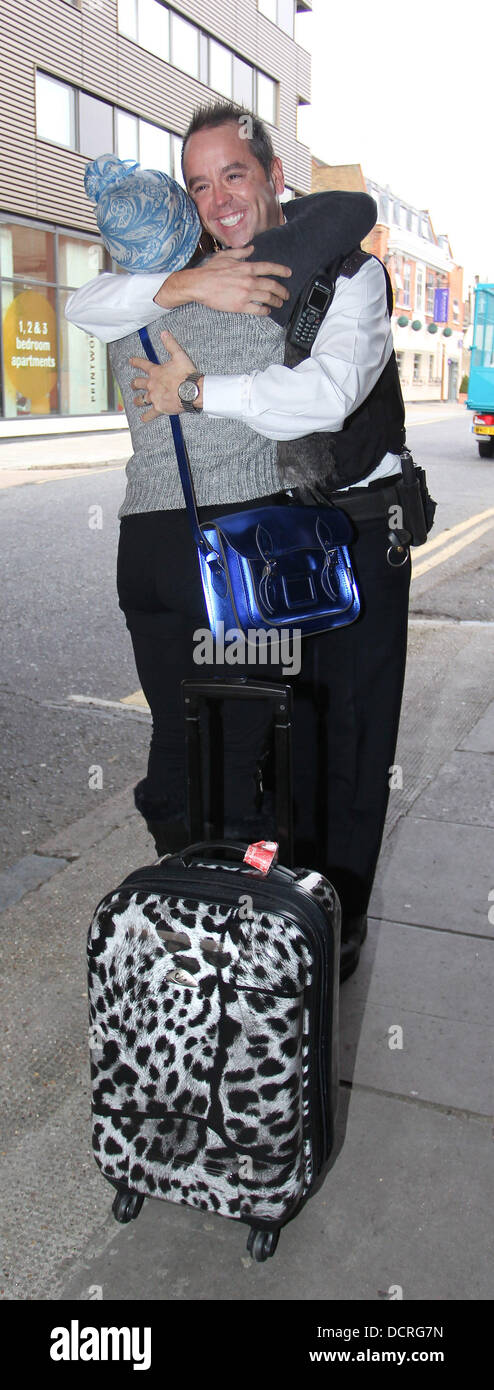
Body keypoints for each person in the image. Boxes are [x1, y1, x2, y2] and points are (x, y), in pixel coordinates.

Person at [66, 101, 407, 985]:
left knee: (345, 743)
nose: (219, 199)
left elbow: (329, 395)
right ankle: (239, 919)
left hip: (354, 533)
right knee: (253, 744)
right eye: (199, 184)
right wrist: (186, 285)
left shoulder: (340, 273)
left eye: (235, 175)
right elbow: (91, 299)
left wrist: (199, 390)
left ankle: (328, 925)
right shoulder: (187, 279)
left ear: (272, 177)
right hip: (256, 547)